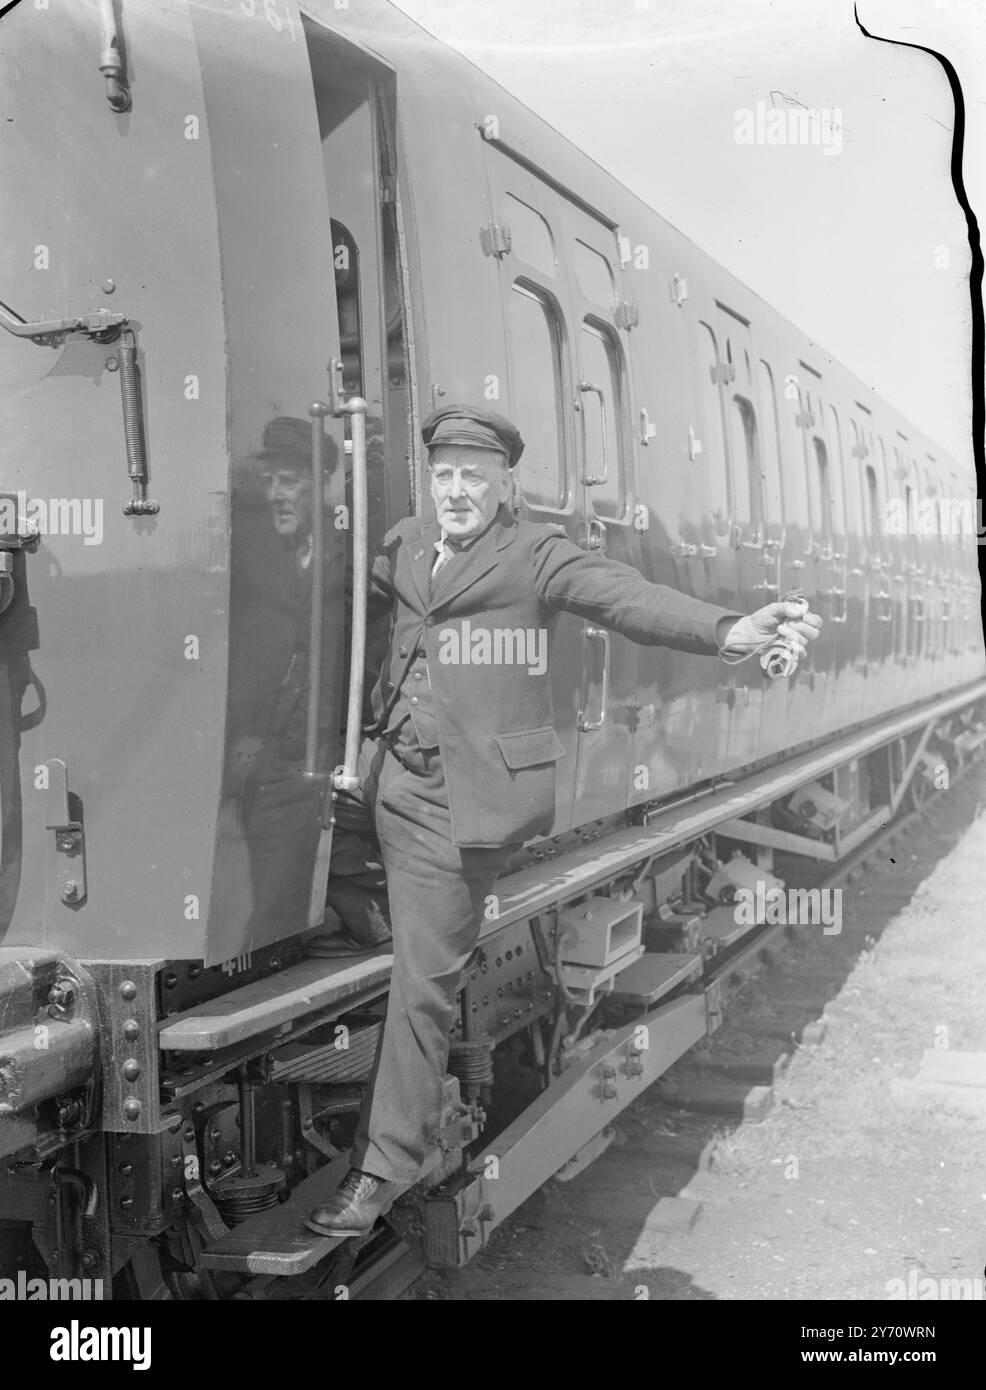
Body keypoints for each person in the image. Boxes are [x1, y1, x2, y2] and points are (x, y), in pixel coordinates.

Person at [305, 404, 822, 1239]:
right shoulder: (403, 542)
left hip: (455, 803)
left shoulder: (535, 553)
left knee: (420, 985)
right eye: (445, 475)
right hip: (380, 779)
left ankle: (383, 1169)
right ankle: (370, 913)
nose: (457, 491)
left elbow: (628, 600)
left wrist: (730, 630)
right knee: (319, 869)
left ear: (504, 483)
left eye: (475, 477)